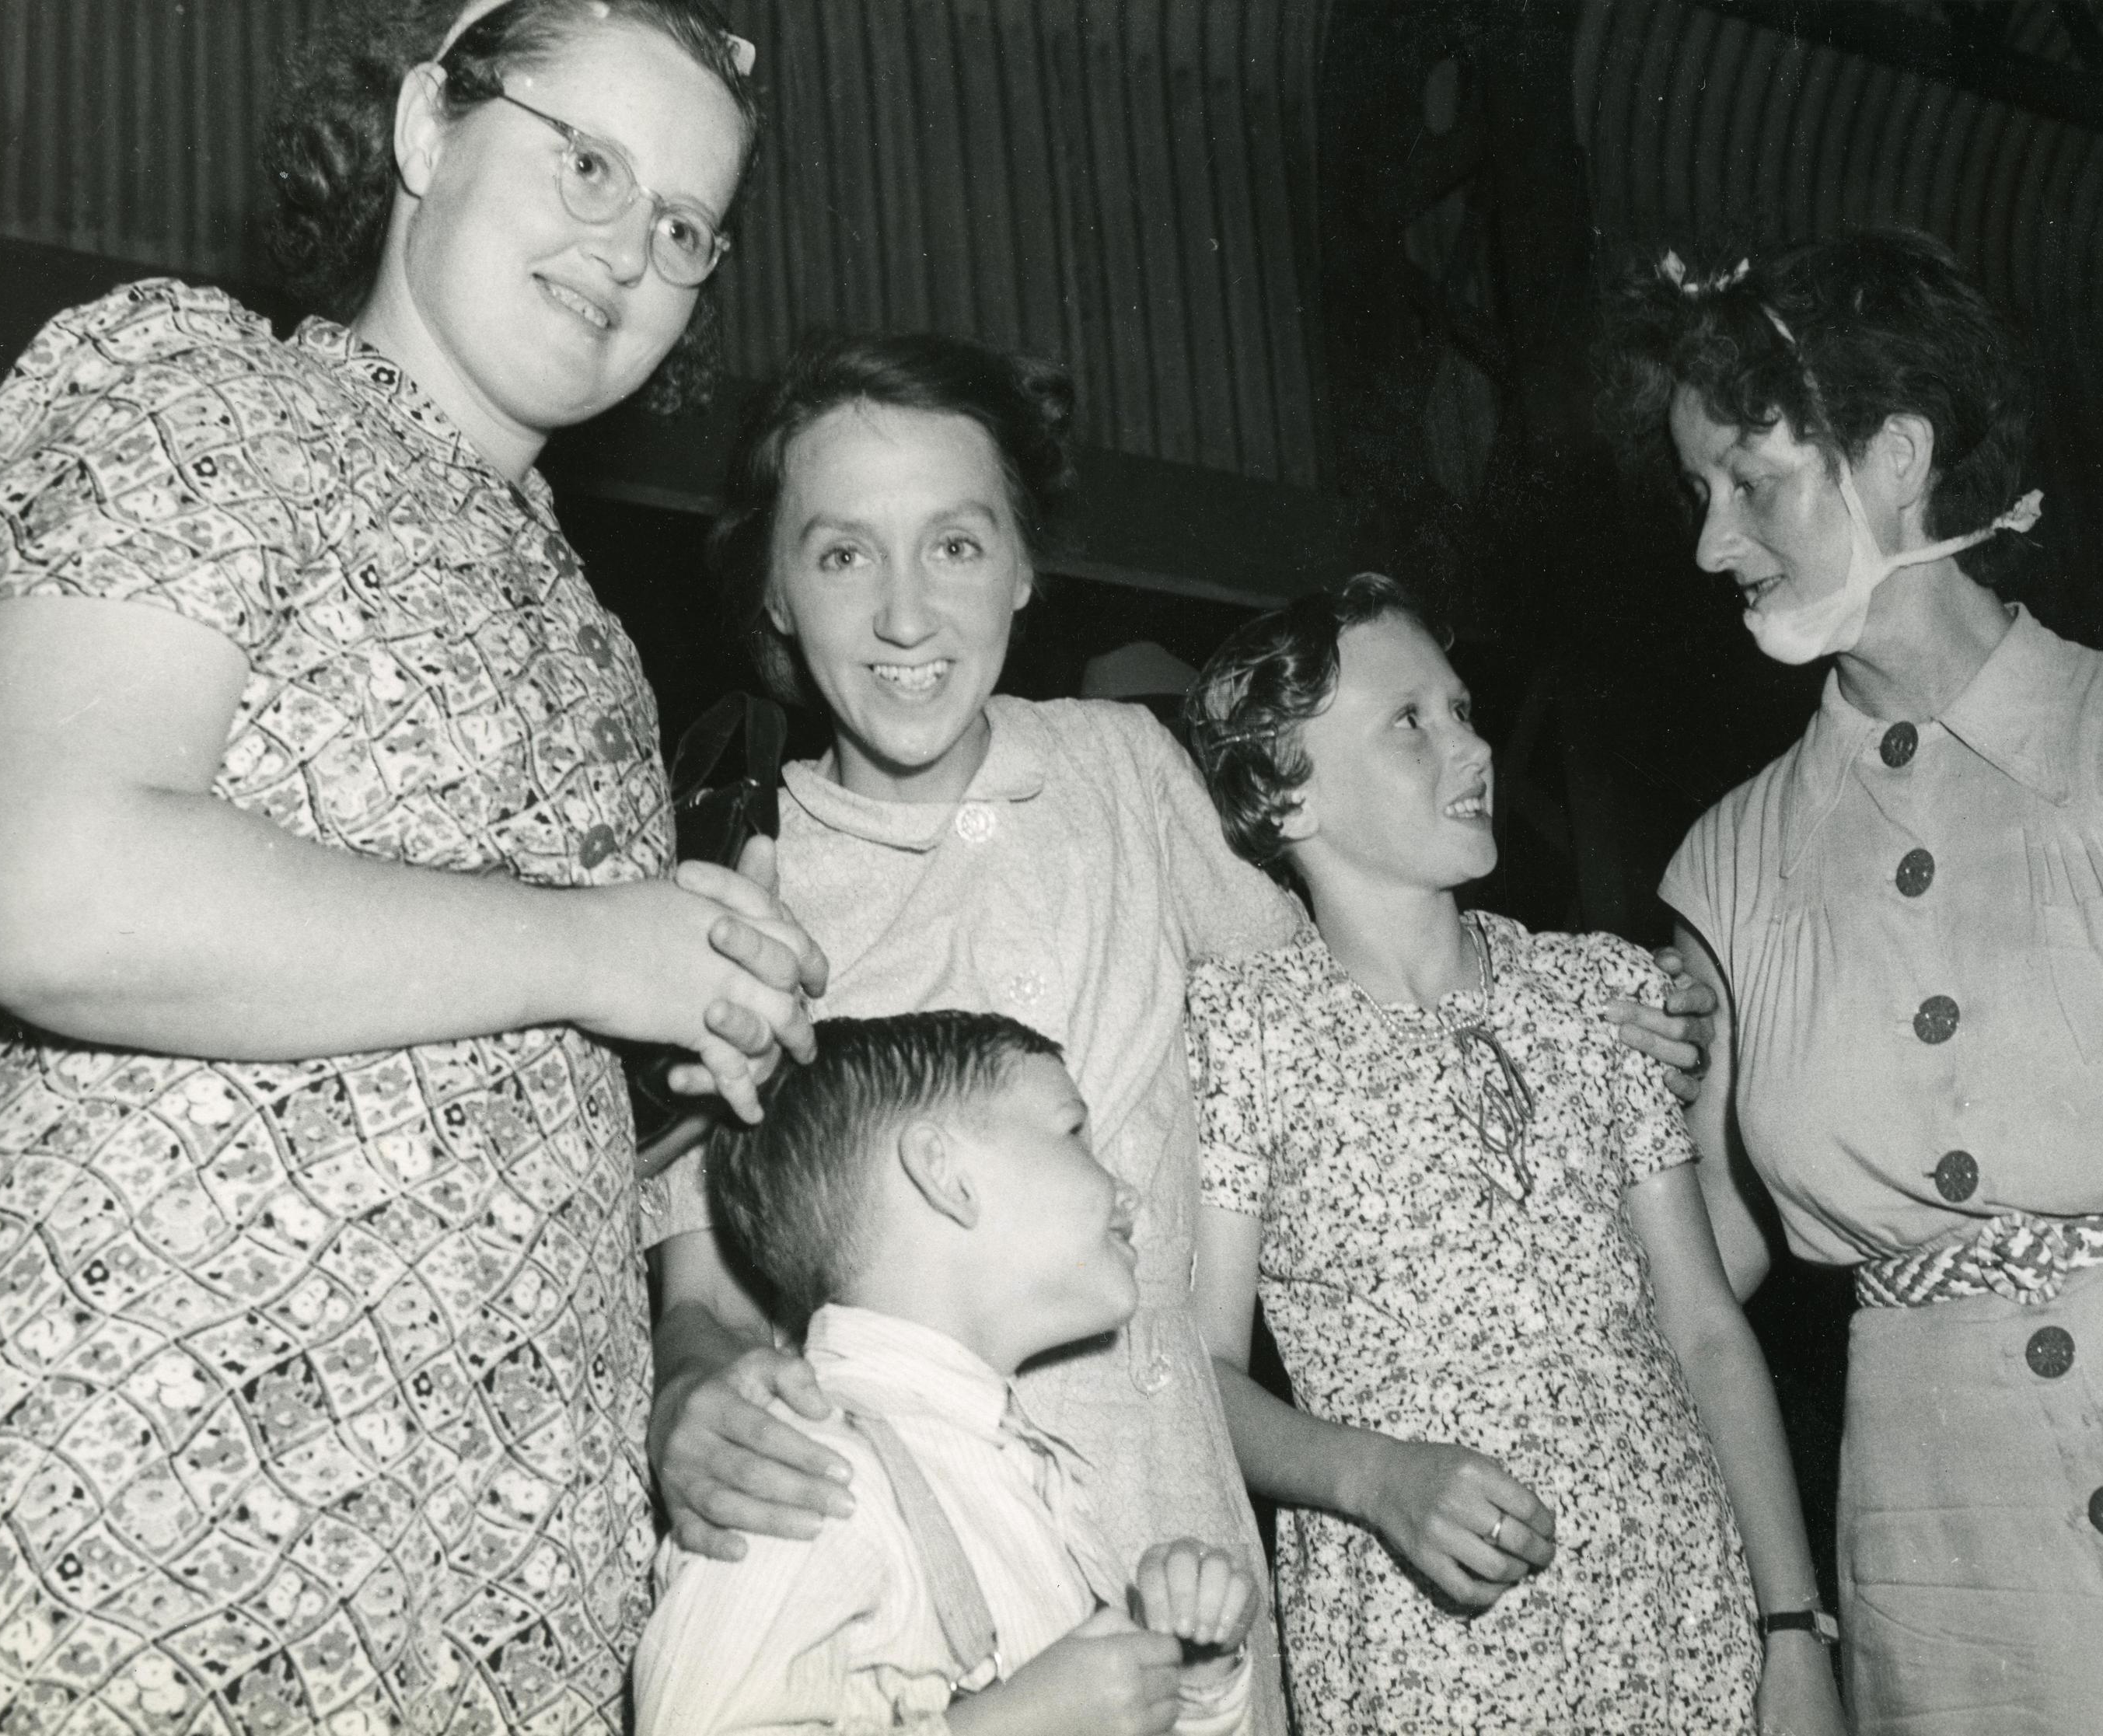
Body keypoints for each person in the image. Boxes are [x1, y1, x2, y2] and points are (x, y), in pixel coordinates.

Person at [0, 2, 826, 1730]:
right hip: (170, 1505)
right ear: (426, 128)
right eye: (586, 161)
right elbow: (53, 885)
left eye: (685, 227)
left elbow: (522, 1045)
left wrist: (684, 1045)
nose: (629, 248)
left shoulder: (594, 642)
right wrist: (591, 953)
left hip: (495, 1578)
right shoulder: (211, 395)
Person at [637, 331, 1723, 1735]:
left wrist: (1589, 1003)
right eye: (843, 554)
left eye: (958, 546)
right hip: (920, 1596)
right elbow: (708, 1299)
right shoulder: (746, 876)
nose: (908, 615)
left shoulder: (1120, 776)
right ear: (775, 593)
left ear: (1026, 567)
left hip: (1190, 1578)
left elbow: (1353, 995)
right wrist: (695, 1392)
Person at [1602, 226, 2103, 1733]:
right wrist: (1585, 1091)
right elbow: (1709, 1254)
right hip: (1943, 1572)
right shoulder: (1729, 867)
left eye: (1751, 485)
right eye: (1699, 494)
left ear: (1897, 457)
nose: (1712, 545)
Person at [1182, 572, 1845, 1735]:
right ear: (1285, 794)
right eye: (1412, 721)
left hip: (1678, 1605)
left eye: (1464, 707)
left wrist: (1791, 1630)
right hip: (1426, 1640)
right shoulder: (1244, 1033)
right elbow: (1202, 1376)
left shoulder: (1600, 992)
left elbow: (1701, 1326)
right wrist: (1374, 1476)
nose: (1473, 745)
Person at [636, 1011, 1259, 1735]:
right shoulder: (802, 1473)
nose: (1132, 1194)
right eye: (1073, 1133)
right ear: (944, 1172)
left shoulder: (1025, 1470)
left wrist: (1193, 1680)